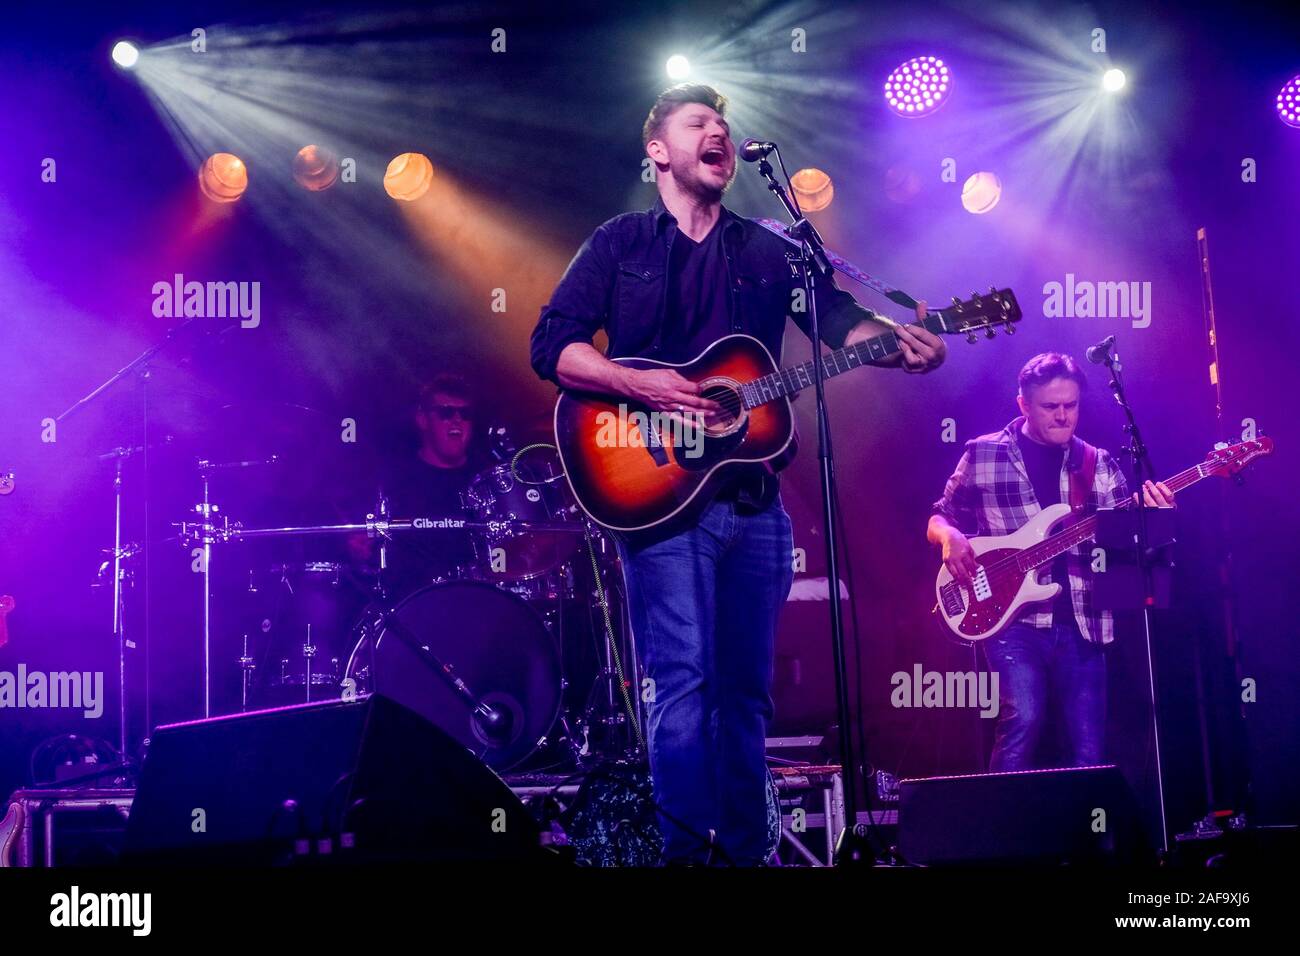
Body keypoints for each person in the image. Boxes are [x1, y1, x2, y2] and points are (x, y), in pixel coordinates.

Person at [530, 84, 945, 864]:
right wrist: (640, 384)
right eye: (699, 122)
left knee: (747, 694)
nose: (718, 131)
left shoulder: (769, 249)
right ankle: (689, 859)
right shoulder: (622, 243)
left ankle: (749, 858)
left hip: (756, 503)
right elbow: (553, 346)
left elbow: (837, 322)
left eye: (724, 123)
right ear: (659, 150)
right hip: (656, 498)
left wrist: (900, 339)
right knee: (683, 684)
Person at [927, 352, 1174, 771]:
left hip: (1083, 621)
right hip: (1010, 620)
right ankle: (1002, 814)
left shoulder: (1097, 463)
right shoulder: (983, 453)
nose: (1063, 416)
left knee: (1088, 749)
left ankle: (1085, 817)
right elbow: (939, 515)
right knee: (1023, 719)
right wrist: (949, 537)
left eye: (1071, 405)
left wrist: (1156, 517)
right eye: (1050, 406)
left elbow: (1130, 544)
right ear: (1023, 404)